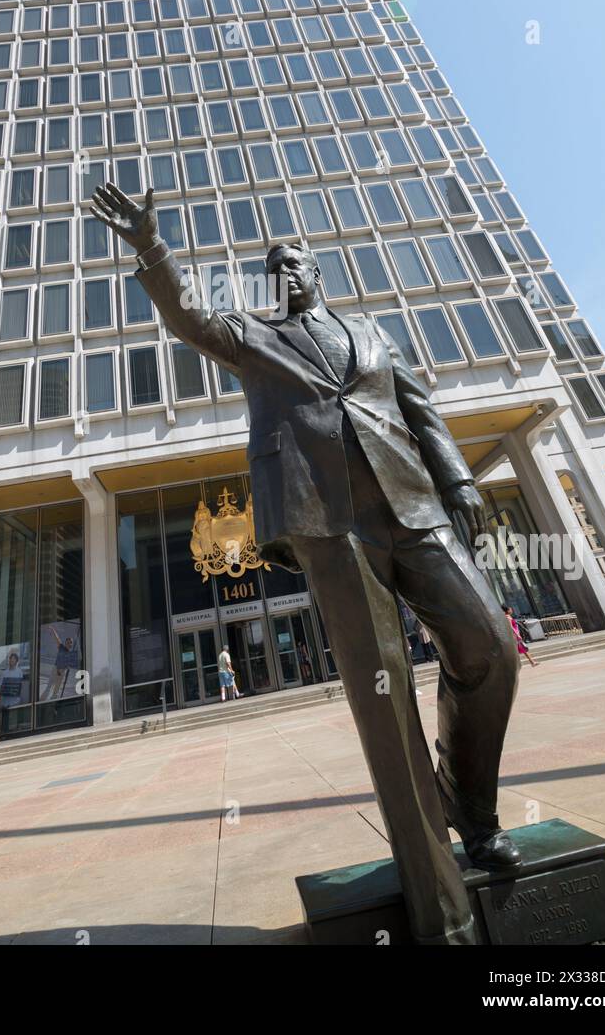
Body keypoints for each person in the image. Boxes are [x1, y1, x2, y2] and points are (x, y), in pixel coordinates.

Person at [89, 184, 520, 946]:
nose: (285, 271)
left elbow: (420, 410)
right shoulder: (252, 337)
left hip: (414, 508)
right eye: (273, 267)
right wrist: (152, 249)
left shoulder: (371, 334)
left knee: (489, 646)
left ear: (318, 271)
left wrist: (456, 478)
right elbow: (188, 315)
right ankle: (445, 918)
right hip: (330, 527)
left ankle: (472, 810)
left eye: (296, 261)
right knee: (387, 709)